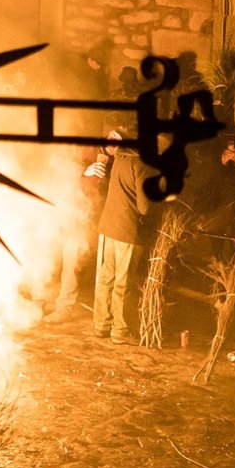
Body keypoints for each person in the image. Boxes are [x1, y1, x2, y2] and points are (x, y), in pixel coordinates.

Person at [93, 135, 151, 346]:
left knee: (106, 276)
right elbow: (144, 208)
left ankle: (101, 325)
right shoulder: (140, 164)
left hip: (108, 227)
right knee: (122, 282)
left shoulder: (120, 158)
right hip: (126, 230)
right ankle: (120, 330)